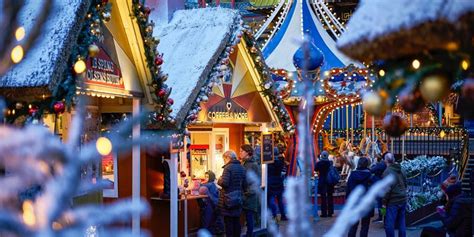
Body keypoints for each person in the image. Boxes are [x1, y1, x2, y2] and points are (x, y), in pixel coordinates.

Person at [218, 150, 247, 237]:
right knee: (236, 221)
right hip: (238, 198)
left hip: (228, 199)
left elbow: (225, 183)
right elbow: (245, 184)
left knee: (228, 222)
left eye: (224, 159)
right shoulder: (242, 167)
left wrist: (219, 180)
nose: (224, 161)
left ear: (228, 157)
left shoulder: (228, 168)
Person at [346, 157, 373, 237]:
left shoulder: (352, 175)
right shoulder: (370, 175)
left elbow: (348, 189)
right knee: (365, 225)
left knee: (353, 224)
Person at [382, 153, 407, 237]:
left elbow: (386, 190)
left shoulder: (387, 172)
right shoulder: (401, 169)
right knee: (401, 223)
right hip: (403, 199)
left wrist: (384, 202)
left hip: (393, 201)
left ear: (385, 160)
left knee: (389, 224)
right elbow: (405, 183)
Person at [240, 144, 260, 237]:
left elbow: (257, 180)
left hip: (250, 195)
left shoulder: (253, 164)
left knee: (249, 217)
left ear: (247, 152)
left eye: (241, 151)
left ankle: (249, 235)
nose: (240, 153)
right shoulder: (244, 163)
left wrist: (248, 192)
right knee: (246, 217)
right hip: (245, 193)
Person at [267, 147, 288, 221]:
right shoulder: (281, 161)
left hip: (270, 182)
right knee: (280, 200)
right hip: (279, 181)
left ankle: (274, 214)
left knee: (271, 199)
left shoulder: (268, 162)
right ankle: (283, 215)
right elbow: (283, 170)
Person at [315, 150, 335, 217]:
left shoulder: (319, 163)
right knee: (330, 197)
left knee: (323, 198)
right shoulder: (330, 163)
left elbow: (315, 169)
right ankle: (330, 212)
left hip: (322, 181)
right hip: (330, 181)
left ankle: (324, 213)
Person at [370, 153, 387, 222]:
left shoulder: (380, 164)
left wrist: (374, 164)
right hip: (383, 184)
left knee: (381, 202)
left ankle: (382, 216)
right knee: (383, 202)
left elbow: (372, 170)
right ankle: (383, 216)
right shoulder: (384, 164)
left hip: (379, 184)